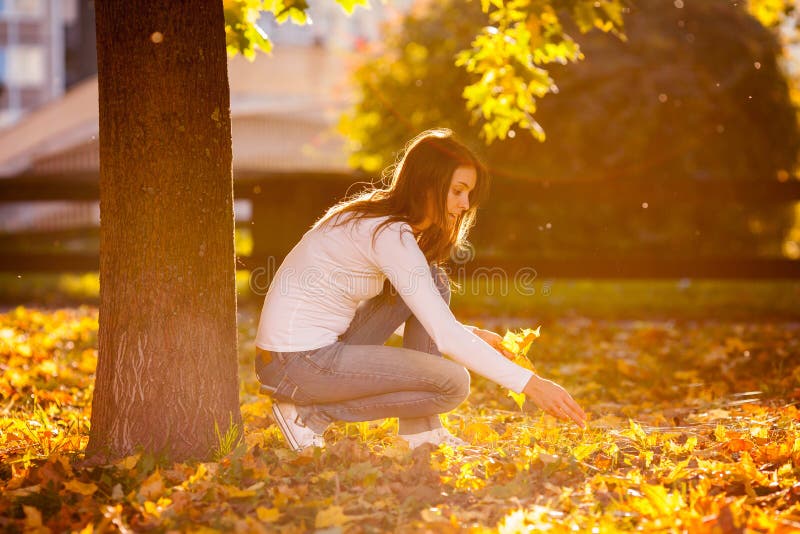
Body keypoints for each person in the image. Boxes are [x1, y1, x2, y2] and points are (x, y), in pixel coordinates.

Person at [255, 128, 586, 452]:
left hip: (293, 358)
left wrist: (469, 332)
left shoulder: (377, 219)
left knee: (432, 278)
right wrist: (532, 384)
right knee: (452, 383)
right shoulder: (389, 234)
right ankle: (309, 415)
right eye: (457, 191)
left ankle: (422, 433)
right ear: (427, 184)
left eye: (468, 193)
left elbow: (417, 311)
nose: (465, 204)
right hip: (297, 364)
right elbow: (444, 336)